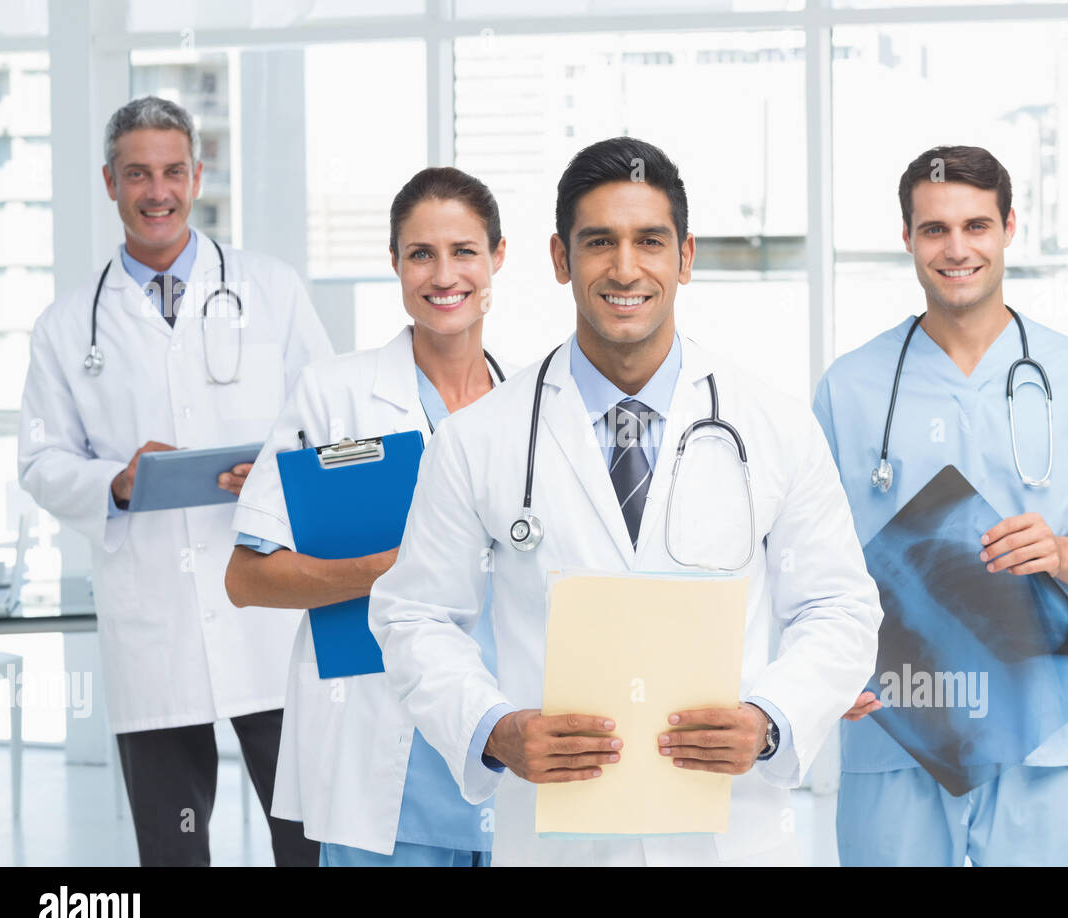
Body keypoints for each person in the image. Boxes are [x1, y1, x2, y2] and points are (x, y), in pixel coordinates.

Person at [368, 137, 882, 866]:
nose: (625, 268)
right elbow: (414, 614)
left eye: (650, 241)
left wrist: (770, 719)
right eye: (599, 242)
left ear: (686, 256)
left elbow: (840, 607)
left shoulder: (774, 424)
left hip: (729, 834)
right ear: (559, 258)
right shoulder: (478, 439)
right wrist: (492, 726)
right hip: (560, 835)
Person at [814, 145, 1068, 867]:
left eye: (976, 226)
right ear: (907, 238)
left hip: (1047, 727)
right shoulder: (850, 388)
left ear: (1010, 228)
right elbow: (810, 567)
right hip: (898, 723)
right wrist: (828, 664)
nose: (956, 249)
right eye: (934, 229)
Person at [17, 96, 332, 866]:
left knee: (312, 841)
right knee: (174, 847)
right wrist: (116, 484)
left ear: (196, 176)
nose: (156, 191)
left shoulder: (272, 289)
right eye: (136, 174)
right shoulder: (66, 326)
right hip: (152, 620)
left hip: (267, 610)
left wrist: (279, 469)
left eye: (171, 171)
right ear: (109, 182)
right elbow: (38, 461)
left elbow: (329, 423)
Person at [224, 167, 507, 866]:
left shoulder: (534, 403)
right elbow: (246, 578)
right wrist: (392, 572)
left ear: (498, 257)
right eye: (421, 254)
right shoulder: (334, 394)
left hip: (503, 742)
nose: (444, 275)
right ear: (395, 264)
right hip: (379, 752)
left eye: (465, 251)